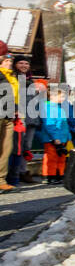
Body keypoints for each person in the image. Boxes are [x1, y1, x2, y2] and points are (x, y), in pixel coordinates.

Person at [8, 55, 42, 185]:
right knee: (15, 147)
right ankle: (13, 173)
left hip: (31, 118)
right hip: (18, 118)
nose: (24, 66)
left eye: (26, 64)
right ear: (15, 65)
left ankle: (22, 171)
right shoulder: (13, 79)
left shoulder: (30, 80)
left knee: (26, 147)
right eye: (21, 63)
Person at [41, 87, 72, 184]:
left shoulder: (59, 108)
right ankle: (50, 176)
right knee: (51, 158)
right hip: (53, 139)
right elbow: (50, 125)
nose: (63, 98)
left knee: (61, 157)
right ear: (53, 96)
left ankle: (60, 174)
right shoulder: (48, 108)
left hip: (62, 138)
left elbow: (64, 124)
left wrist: (68, 137)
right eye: (61, 96)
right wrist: (55, 138)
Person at [0, 45, 16, 192]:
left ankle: (1, 179)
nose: (8, 61)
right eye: (5, 58)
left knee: (7, 147)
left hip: (8, 115)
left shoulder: (10, 75)